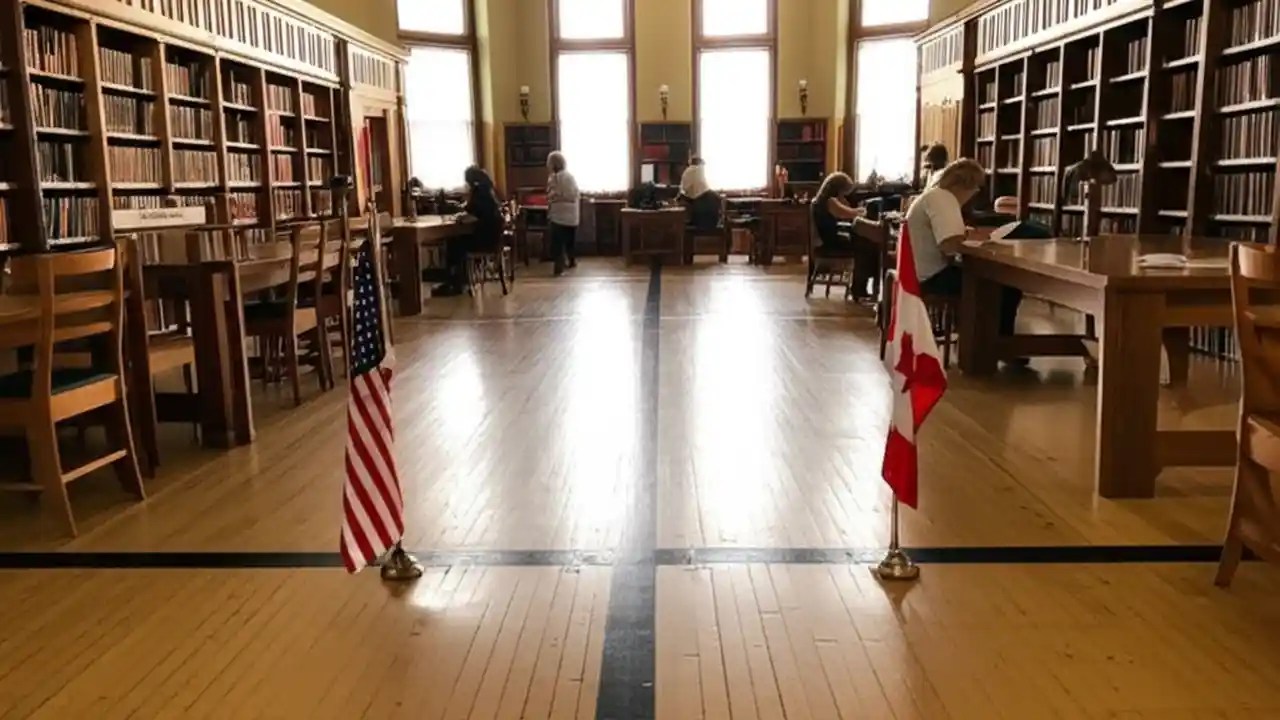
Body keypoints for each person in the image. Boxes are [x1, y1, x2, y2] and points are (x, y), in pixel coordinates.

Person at [905, 158, 1023, 341]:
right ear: (966, 185)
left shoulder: (934, 195)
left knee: (992, 280)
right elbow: (949, 245)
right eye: (975, 189)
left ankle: (988, 340)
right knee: (1006, 285)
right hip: (933, 276)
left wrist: (963, 235)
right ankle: (995, 344)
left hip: (919, 272)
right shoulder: (944, 199)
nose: (974, 195)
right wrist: (972, 240)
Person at [437, 165, 503, 296]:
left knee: (453, 243)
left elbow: (472, 214)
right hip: (493, 239)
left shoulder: (479, 193)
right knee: (456, 241)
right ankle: (459, 281)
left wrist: (460, 217)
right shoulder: (488, 191)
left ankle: (455, 282)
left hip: (483, 240)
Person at [811, 172, 876, 300]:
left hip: (828, 239)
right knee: (866, 247)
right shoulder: (830, 201)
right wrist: (863, 211)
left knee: (863, 243)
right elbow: (849, 214)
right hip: (831, 242)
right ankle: (859, 287)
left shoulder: (822, 200)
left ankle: (859, 286)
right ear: (838, 188)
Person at [546, 151, 580, 275]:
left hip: (558, 216)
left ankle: (558, 265)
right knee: (570, 240)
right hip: (572, 216)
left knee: (557, 242)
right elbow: (575, 194)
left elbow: (551, 195)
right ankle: (571, 260)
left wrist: (555, 197)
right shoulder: (570, 177)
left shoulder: (553, 178)